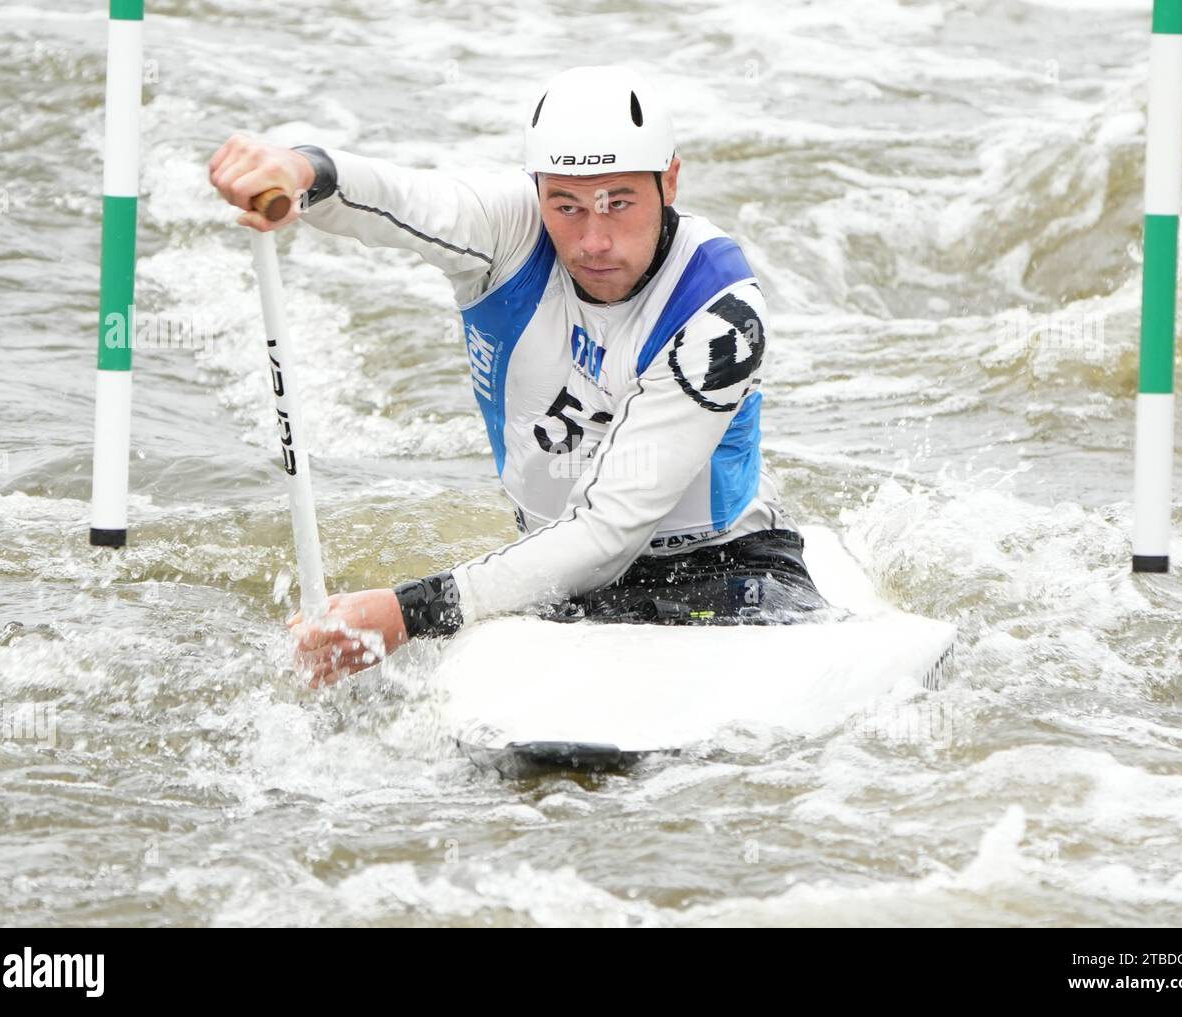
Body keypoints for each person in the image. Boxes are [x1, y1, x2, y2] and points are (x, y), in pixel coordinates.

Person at [208, 65, 828, 687]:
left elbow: (609, 530)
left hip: (724, 570)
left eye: (619, 203)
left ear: (668, 180)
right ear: (537, 190)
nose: (592, 240)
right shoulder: (507, 230)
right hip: (556, 576)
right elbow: (400, 198)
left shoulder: (721, 311)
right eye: (566, 205)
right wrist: (300, 171)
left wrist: (407, 612)